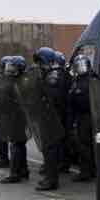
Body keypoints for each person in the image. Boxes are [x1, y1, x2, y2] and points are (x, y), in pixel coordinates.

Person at [34, 47, 67, 191]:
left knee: (50, 150)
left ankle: (52, 180)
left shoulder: (53, 76)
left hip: (52, 119)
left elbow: (52, 99)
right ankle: (49, 177)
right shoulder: (48, 74)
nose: (39, 65)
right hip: (48, 118)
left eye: (40, 62)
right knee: (48, 150)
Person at [0, 56, 31, 184]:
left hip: (17, 117)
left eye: (12, 67)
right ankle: (23, 170)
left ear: (19, 68)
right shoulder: (22, 80)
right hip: (20, 117)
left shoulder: (17, 82)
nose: (9, 69)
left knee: (16, 145)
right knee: (20, 144)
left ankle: (15, 173)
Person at [67, 54, 96, 182]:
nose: (80, 68)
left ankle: (86, 171)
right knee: (86, 145)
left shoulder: (91, 80)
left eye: (82, 65)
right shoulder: (78, 80)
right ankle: (90, 170)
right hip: (83, 116)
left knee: (86, 145)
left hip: (88, 116)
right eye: (78, 66)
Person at [0, 56, 13, 169]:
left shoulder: (13, 79)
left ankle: (13, 163)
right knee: (0, 137)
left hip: (9, 113)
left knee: (14, 140)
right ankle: (3, 159)